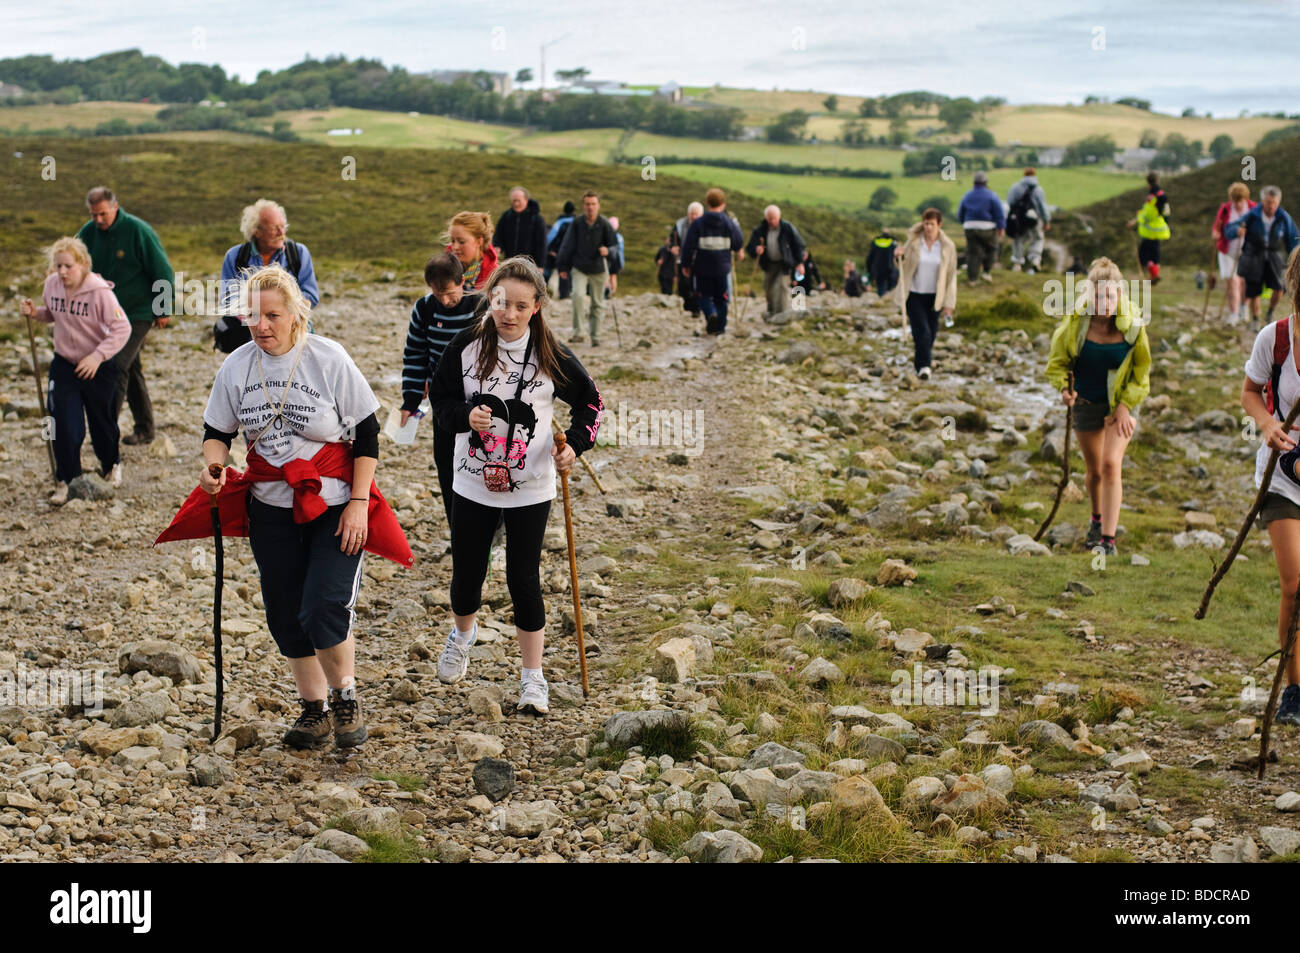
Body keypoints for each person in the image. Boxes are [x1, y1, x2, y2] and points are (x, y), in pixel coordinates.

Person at [197, 265, 391, 750]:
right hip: (271, 507)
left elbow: (367, 434)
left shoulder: (328, 358)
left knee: (323, 604)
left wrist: (359, 504)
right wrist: (214, 466)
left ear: (295, 314)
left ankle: (345, 696)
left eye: (273, 315)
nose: (262, 325)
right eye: (253, 316)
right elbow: (217, 433)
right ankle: (314, 710)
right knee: (285, 612)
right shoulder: (237, 367)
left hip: (333, 504)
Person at [429, 257, 603, 715]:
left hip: (531, 484)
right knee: (468, 574)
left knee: (523, 578)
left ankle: (533, 678)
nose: (509, 314)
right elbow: (440, 397)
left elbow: (592, 402)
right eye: (502, 302)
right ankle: (462, 637)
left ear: (537, 307)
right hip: (471, 479)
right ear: (491, 298)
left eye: (521, 306)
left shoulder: (551, 354)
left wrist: (576, 447)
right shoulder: (465, 346)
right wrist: (463, 416)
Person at [1045, 257, 1151, 557]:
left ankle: (1107, 541)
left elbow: (1142, 373)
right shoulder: (1075, 324)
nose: (1105, 301)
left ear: (1120, 294)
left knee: (1110, 464)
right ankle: (1096, 518)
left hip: (1121, 406)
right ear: (1090, 295)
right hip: (1086, 402)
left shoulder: (1132, 326)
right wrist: (1064, 390)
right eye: (1100, 294)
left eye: (1111, 294)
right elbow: (1057, 364)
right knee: (1093, 471)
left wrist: (1126, 407)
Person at [20, 237, 130, 504]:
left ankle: (111, 465)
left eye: (68, 266)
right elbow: (54, 314)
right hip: (65, 364)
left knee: (101, 421)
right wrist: (36, 313)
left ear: (82, 264)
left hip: (98, 366)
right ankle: (66, 480)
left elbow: (122, 327)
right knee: (63, 424)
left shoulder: (100, 292)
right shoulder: (52, 285)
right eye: (58, 265)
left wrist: (97, 357)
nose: (62, 271)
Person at [1243, 251, 1300, 724]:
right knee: (1295, 584)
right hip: (1282, 476)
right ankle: (1294, 690)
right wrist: (1266, 423)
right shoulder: (1276, 338)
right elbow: (1249, 390)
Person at [75, 186, 173, 446]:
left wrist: (162, 309)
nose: (98, 220)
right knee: (132, 368)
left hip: (138, 312)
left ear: (115, 207)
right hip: (107, 313)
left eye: (102, 215)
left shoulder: (138, 230)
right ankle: (145, 429)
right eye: (93, 215)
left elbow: (163, 270)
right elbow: (74, 263)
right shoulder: (88, 233)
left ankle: (105, 432)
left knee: (116, 365)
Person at [401, 252, 484, 530]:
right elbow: (415, 354)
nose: (445, 300)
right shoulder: (424, 308)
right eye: (438, 294)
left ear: (462, 282)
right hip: (443, 400)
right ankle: (458, 527)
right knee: (446, 462)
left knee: (482, 459)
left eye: (449, 293)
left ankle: (491, 524)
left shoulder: (480, 305)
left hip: (481, 399)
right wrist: (411, 400)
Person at [217, 198, 320, 351]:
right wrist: (254, 313)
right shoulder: (235, 256)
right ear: (256, 231)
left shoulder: (298, 253)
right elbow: (227, 298)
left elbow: (311, 295)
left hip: (289, 320)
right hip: (247, 322)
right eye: (274, 228)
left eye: (283, 226)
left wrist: (281, 309)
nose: (281, 232)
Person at [895, 208, 957, 379]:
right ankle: (925, 367)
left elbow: (951, 276)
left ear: (939, 225)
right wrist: (898, 255)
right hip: (914, 293)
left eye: (932, 224)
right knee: (922, 331)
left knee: (931, 332)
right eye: (926, 223)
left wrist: (949, 304)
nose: (928, 227)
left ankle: (919, 363)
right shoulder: (914, 242)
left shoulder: (947, 246)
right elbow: (902, 265)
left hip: (935, 296)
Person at [1226, 185, 1299, 324]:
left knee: (1279, 288)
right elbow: (1231, 227)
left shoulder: (1283, 217)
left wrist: (1296, 259)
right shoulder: (1253, 215)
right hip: (1254, 256)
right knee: (1254, 290)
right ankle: (1254, 319)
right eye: (1268, 202)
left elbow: (1293, 238)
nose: (1271, 206)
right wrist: (1237, 231)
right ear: (1262, 201)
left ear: (1278, 202)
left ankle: (1270, 312)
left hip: (1274, 256)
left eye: (1274, 203)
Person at [556, 190, 619, 345]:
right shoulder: (577, 223)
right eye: (587, 204)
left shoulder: (604, 224)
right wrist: (563, 267)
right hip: (580, 267)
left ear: (598, 205)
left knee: (597, 303)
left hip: (598, 268)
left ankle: (596, 336)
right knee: (577, 296)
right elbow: (567, 245)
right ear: (583, 206)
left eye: (593, 204)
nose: (590, 207)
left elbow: (615, 246)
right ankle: (579, 332)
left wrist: (608, 251)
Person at [682, 188, 745, 336]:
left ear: (707, 203)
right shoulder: (728, 223)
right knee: (721, 298)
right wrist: (738, 250)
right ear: (723, 204)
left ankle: (711, 314)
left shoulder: (698, 223)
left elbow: (688, 245)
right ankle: (720, 327)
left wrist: (686, 264)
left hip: (702, 267)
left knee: (703, 295)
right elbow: (738, 241)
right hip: (722, 268)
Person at [744, 204, 807, 318]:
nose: (772, 221)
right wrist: (756, 249)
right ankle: (772, 312)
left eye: (774, 218)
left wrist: (800, 263)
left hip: (785, 263)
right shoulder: (760, 229)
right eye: (769, 219)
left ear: (779, 217)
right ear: (766, 218)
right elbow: (750, 247)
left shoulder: (787, 228)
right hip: (769, 264)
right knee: (768, 287)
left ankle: (781, 315)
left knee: (782, 287)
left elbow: (799, 246)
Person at [1213, 183, 1256, 324]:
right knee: (1231, 282)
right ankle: (1234, 313)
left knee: (1245, 282)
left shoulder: (1253, 208)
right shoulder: (1225, 209)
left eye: (1240, 200)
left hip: (1247, 252)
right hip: (1227, 251)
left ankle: (1244, 308)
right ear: (1230, 198)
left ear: (1246, 198)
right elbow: (1217, 226)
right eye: (1235, 200)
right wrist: (1215, 233)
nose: (1237, 204)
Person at [958, 170, 1006, 285]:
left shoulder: (967, 195)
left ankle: (972, 279)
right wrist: (1001, 227)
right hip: (987, 228)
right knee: (992, 248)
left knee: (973, 253)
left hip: (970, 226)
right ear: (985, 182)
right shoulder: (992, 195)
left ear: (974, 183)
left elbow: (960, 213)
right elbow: (999, 213)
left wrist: (965, 223)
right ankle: (986, 272)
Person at [1127, 172, 1171, 285]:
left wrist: (1138, 217)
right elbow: (1166, 212)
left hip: (1149, 230)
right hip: (1159, 229)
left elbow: (1148, 214)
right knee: (1155, 254)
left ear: (1148, 182)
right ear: (1157, 180)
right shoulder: (1163, 195)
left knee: (1144, 255)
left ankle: (1154, 276)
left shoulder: (1152, 197)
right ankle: (1154, 276)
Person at [1005, 168, 1050, 274]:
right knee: (1037, 239)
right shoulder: (1038, 189)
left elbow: (1010, 201)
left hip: (1019, 219)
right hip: (1035, 218)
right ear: (1034, 176)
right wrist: (1046, 221)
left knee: (1018, 239)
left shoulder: (1015, 187)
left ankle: (1017, 263)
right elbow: (1042, 206)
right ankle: (1035, 260)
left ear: (1024, 175)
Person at [444, 211, 499, 292]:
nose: (455, 247)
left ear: (479, 242)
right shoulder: (444, 268)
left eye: (461, 242)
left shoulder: (495, 276)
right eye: (452, 241)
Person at [494, 187, 548, 266]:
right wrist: (498, 246)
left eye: (518, 201)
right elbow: (498, 235)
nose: (516, 204)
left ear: (526, 200)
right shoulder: (506, 217)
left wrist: (540, 265)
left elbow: (542, 244)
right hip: (510, 262)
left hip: (530, 264)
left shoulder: (537, 219)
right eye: (514, 201)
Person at [674, 202, 704, 315]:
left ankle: (696, 308)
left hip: (700, 258)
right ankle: (687, 304)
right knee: (684, 284)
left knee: (697, 284)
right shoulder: (680, 224)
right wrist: (673, 246)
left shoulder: (704, 224)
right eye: (692, 214)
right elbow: (673, 237)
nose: (694, 216)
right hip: (683, 257)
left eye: (696, 214)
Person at [545, 200, 576, 299]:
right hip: (574, 252)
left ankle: (551, 292)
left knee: (558, 271)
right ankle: (568, 293)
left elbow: (550, 237)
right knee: (569, 272)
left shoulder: (560, 222)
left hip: (558, 252)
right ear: (574, 211)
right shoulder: (578, 222)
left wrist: (548, 249)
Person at [865, 229, 900, 298]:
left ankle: (881, 299)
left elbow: (869, 258)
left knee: (881, 287)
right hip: (890, 269)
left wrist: (869, 270)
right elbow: (898, 257)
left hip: (878, 269)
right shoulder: (893, 243)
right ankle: (886, 300)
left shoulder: (876, 242)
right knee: (890, 288)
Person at [603, 215, 626, 299]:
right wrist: (622, 262)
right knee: (613, 276)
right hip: (617, 259)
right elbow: (621, 251)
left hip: (609, 258)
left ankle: (607, 291)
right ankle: (612, 292)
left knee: (607, 276)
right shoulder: (620, 237)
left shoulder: (607, 236)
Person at [655, 228, 677, 294]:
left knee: (669, 290)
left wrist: (676, 275)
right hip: (662, 272)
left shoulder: (675, 251)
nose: (669, 241)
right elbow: (656, 259)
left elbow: (676, 264)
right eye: (668, 240)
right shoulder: (662, 249)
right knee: (663, 289)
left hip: (671, 274)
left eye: (670, 240)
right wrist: (658, 261)